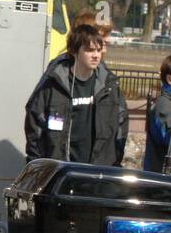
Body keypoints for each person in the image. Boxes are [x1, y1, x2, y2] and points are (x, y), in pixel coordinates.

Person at [23, 23, 127, 165]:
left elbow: (121, 126)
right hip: (60, 171)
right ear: (74, 51)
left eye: (98, 50)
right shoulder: (53, 85)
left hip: (99, 173)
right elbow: (35, 127)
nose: (96, 55)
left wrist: (114, 163)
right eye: (89, 50)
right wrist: (38, 164)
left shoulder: (110, 86)